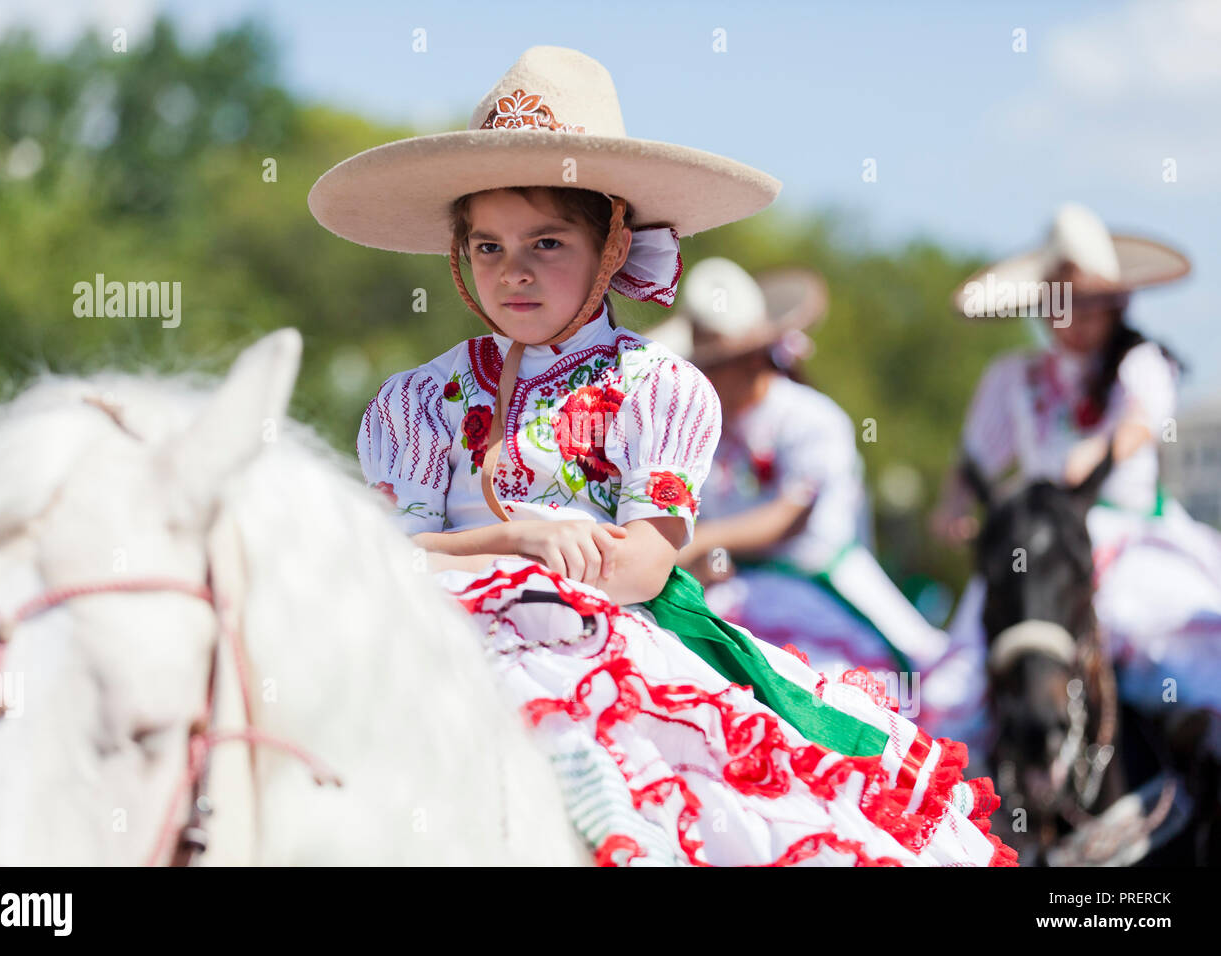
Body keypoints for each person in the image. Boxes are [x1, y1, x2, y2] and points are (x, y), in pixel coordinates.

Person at [311, 45, 1014, 866]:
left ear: (611, 245)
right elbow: (399, 558)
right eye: (489, 248)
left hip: (595, 653)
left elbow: (642, 568)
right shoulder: (417, 399)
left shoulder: (657, 387)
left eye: (546, 244)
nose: (515, 274)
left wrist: (523, 559)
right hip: (436, 644)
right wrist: (519, 541)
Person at [648, 257, 991, 770]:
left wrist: (700, 541)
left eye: (719, 363)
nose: (710, 378)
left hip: (826, 588)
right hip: (739, 591)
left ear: (753, 358)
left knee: (874, 706)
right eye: (704, 365)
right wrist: (699, 563)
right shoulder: (704, 432)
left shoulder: (810, 417)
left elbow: (791, 517)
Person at [932, 202, 1221, 747]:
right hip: (1036, 545)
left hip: (1127, 534)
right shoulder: (1013, 377)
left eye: (1089, 304)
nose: (1074, 318)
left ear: (1116, 304)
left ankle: (1185, 775)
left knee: (1170, 647)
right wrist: (952, 506)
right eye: (1061, 304)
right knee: (960, 678)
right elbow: (974, 460)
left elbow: (1142, 420)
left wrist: (1096, 452)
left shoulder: (1142, 362)